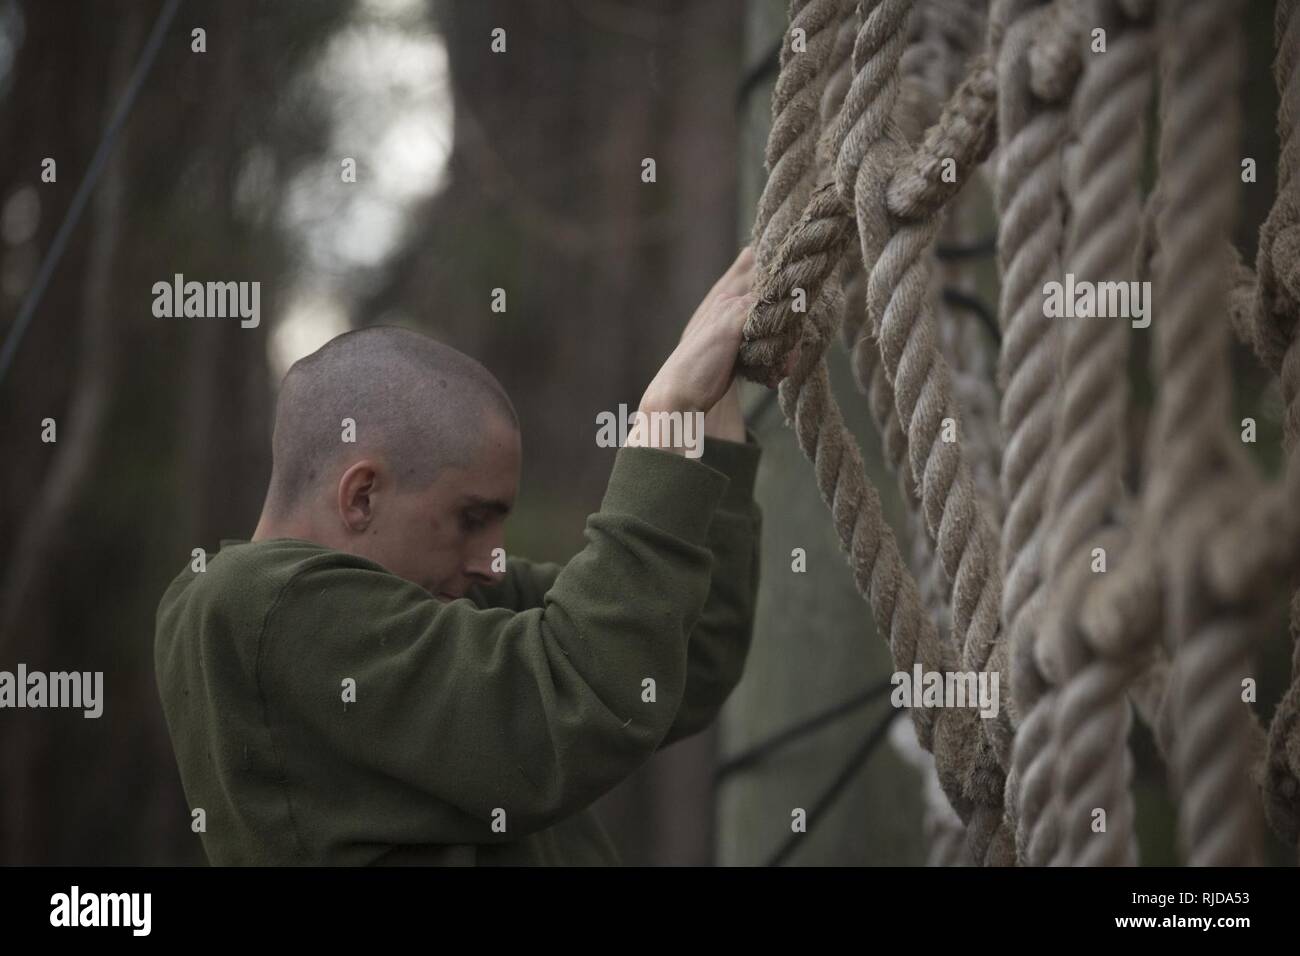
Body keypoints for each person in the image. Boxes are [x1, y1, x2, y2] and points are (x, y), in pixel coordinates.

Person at [154, 246, 774, 864]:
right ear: (362, 496)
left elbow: (676, 659)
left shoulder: (421, 598)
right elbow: (570, 706)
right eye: (470, 520)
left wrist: (709, 411)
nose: (492, 561)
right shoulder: (251, 604)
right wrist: (664, 425)